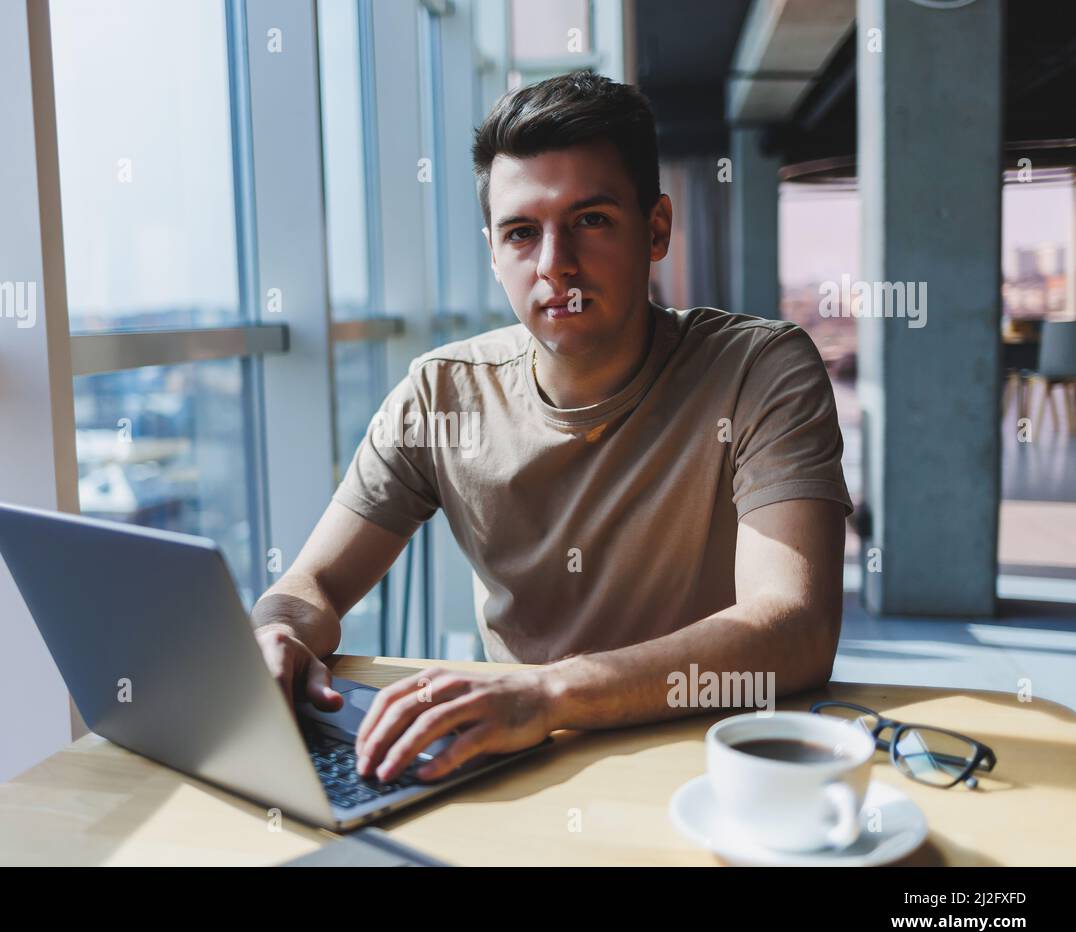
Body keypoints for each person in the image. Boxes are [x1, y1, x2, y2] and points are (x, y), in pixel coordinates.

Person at [250, 70, 851, 786]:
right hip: (516, 766)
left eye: (590, 220)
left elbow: (796, 627)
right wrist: (277, 632)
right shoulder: (442, 393)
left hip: (712, 765)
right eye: (521, 232)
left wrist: (545, 691)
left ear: (655, 229)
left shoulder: (759, 368)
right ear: (494, 250)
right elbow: (313, 581)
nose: (553, 264)